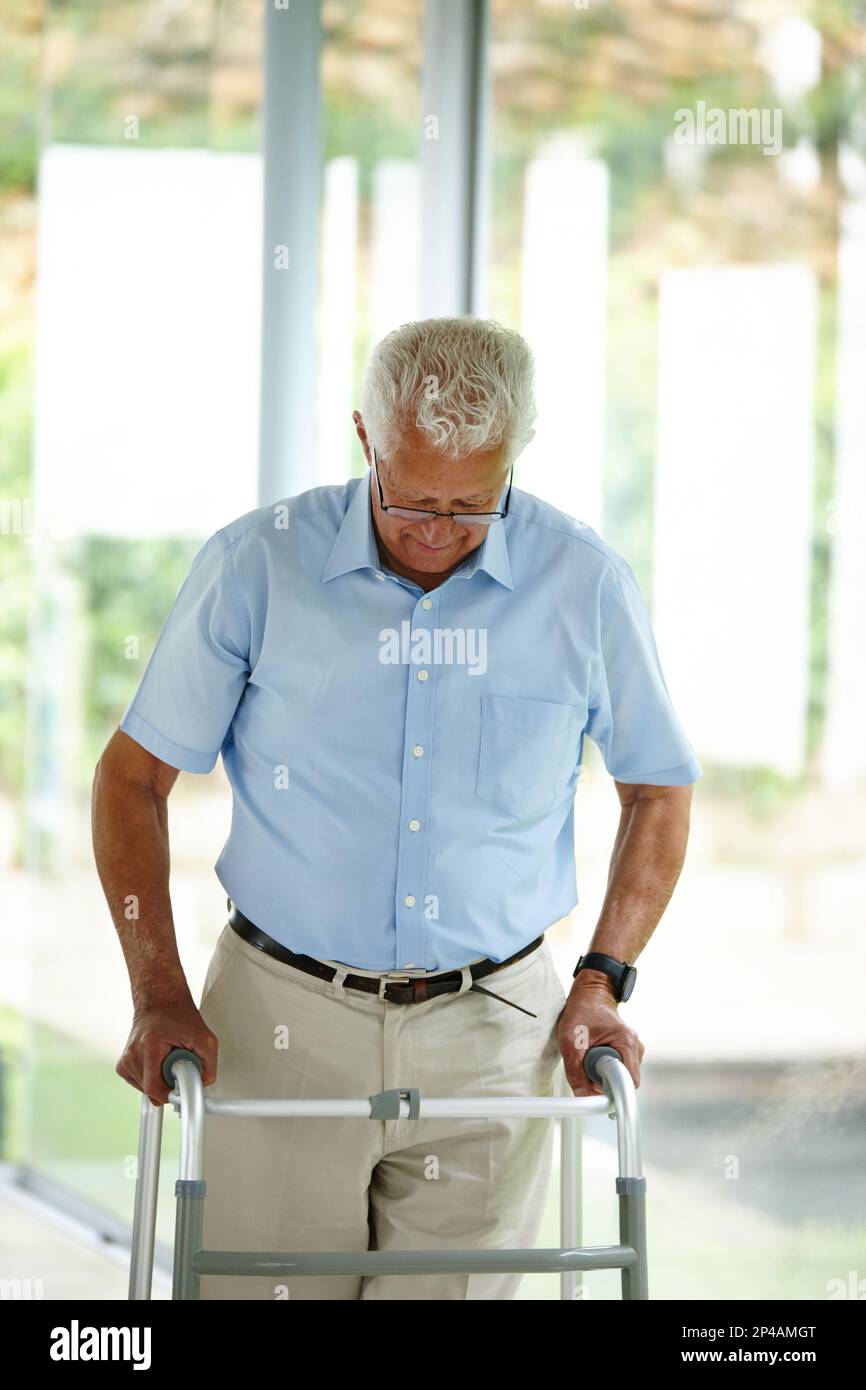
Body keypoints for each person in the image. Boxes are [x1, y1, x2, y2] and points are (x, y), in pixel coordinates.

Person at [92, 315, 701, 1300]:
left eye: (471, 504)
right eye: (411, 497)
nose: (435, 530)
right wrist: (156, 988)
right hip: (280, 1017)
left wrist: (602, 977)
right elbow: (132, 780)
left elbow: (657, 789)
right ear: (363, 440)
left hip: (495, 1033)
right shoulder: (257, 565)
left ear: (516, 458)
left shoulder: (581, 583)